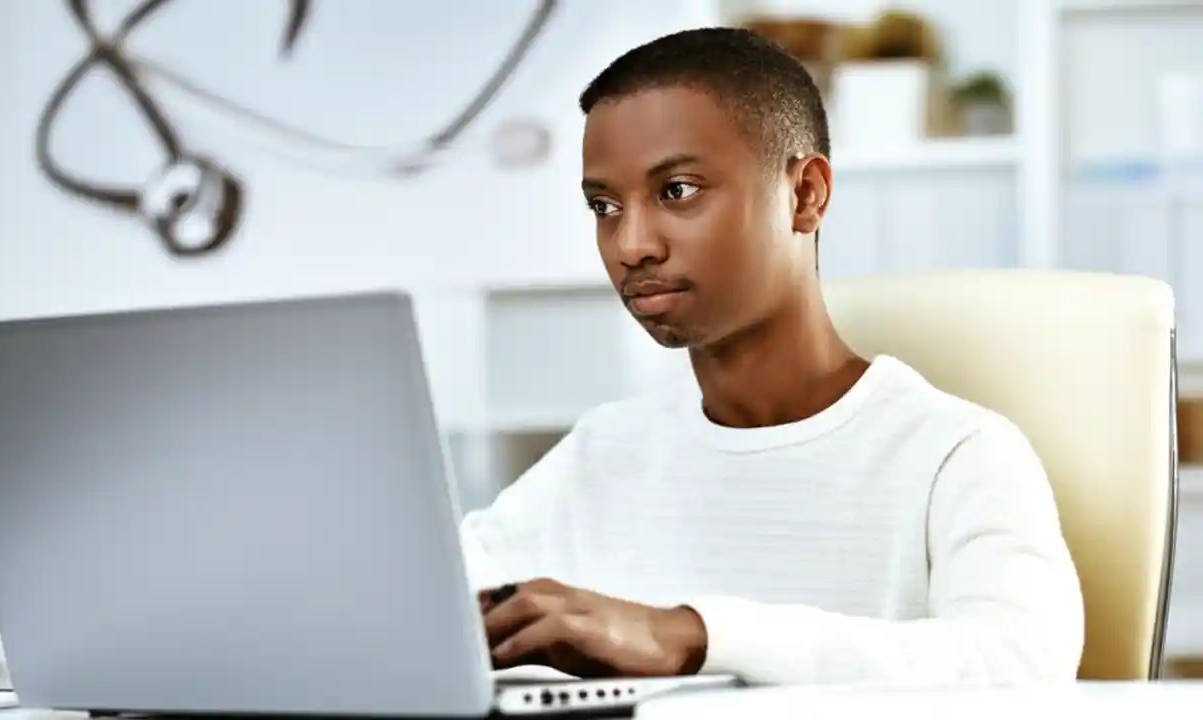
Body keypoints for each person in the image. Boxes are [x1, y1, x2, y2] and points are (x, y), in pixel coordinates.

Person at [460, 27, 1084, 687]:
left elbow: (1023, 663)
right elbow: (434, 608)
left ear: (806, 195)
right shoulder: (601, 453)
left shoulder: (958, 452)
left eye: (677, 190)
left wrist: (692, 636)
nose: (630, 244)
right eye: (605, 206)